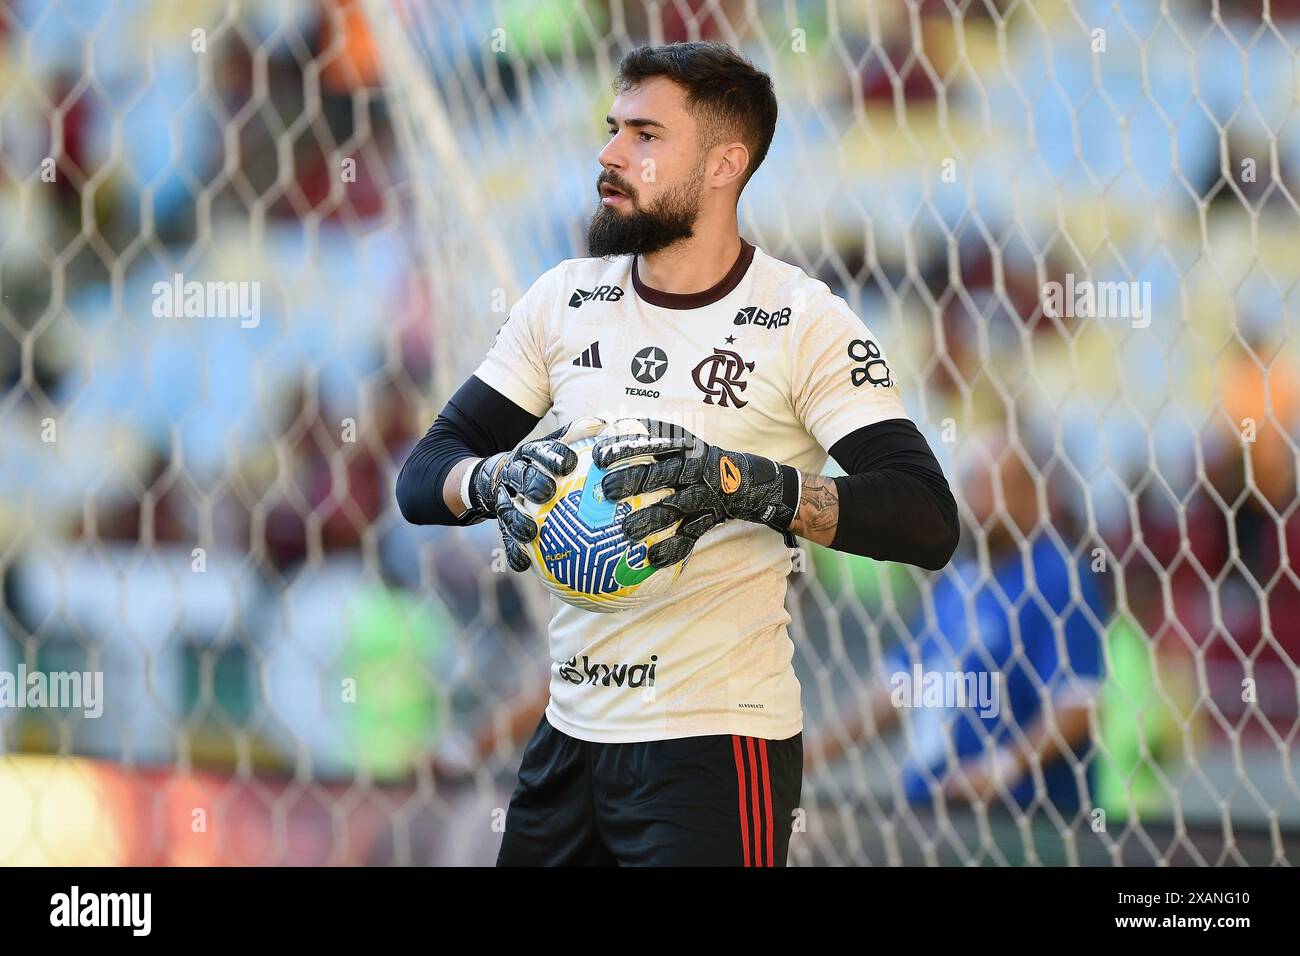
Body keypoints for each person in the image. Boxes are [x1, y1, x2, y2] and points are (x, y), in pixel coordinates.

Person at [396, 41, 958, 866]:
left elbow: (925, 515)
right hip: (567, 741)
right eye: (613, 128)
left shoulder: (802, 320)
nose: (610, 154)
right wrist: (488, 479)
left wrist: (746, 487)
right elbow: (423, 473)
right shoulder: (564, 300)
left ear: (726, 163)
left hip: (714, 753)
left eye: (645, 135)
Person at [806, 428, 1106, 816]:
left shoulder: (1057, 576)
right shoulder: (959, 577)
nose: (977, 497)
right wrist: (811, 754)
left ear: (1033, 493)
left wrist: (1003, 767)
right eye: (971, 482)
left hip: (1021, 820)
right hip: (934, 809)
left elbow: (1078, 704)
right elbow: (899, 687)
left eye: (993, 483)